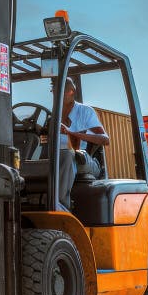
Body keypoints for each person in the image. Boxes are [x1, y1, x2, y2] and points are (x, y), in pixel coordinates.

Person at [57, 78, 109, 211]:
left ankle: (61, 206)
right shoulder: (55, 114)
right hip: (60, 158)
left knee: (67, 155)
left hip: (84, 159)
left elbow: (105, 139)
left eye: (60, 91)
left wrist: (71, 133)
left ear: (71, 91)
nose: (56, 94)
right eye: (54, 91)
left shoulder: (85, 111)